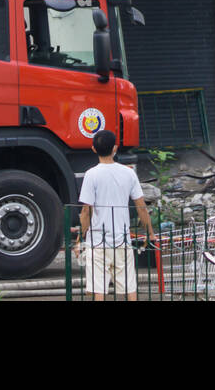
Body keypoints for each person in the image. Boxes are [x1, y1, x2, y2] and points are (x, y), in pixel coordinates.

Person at [79, 129, 153, 301]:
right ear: (115, 148)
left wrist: (82, 235)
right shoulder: (128, 173)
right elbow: (141, 207)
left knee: (99, 290)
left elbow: (86, 210)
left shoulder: (91, 175)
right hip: (122, 238)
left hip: (98, 240)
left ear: (93, 149)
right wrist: (150, 232)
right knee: (129, 288)